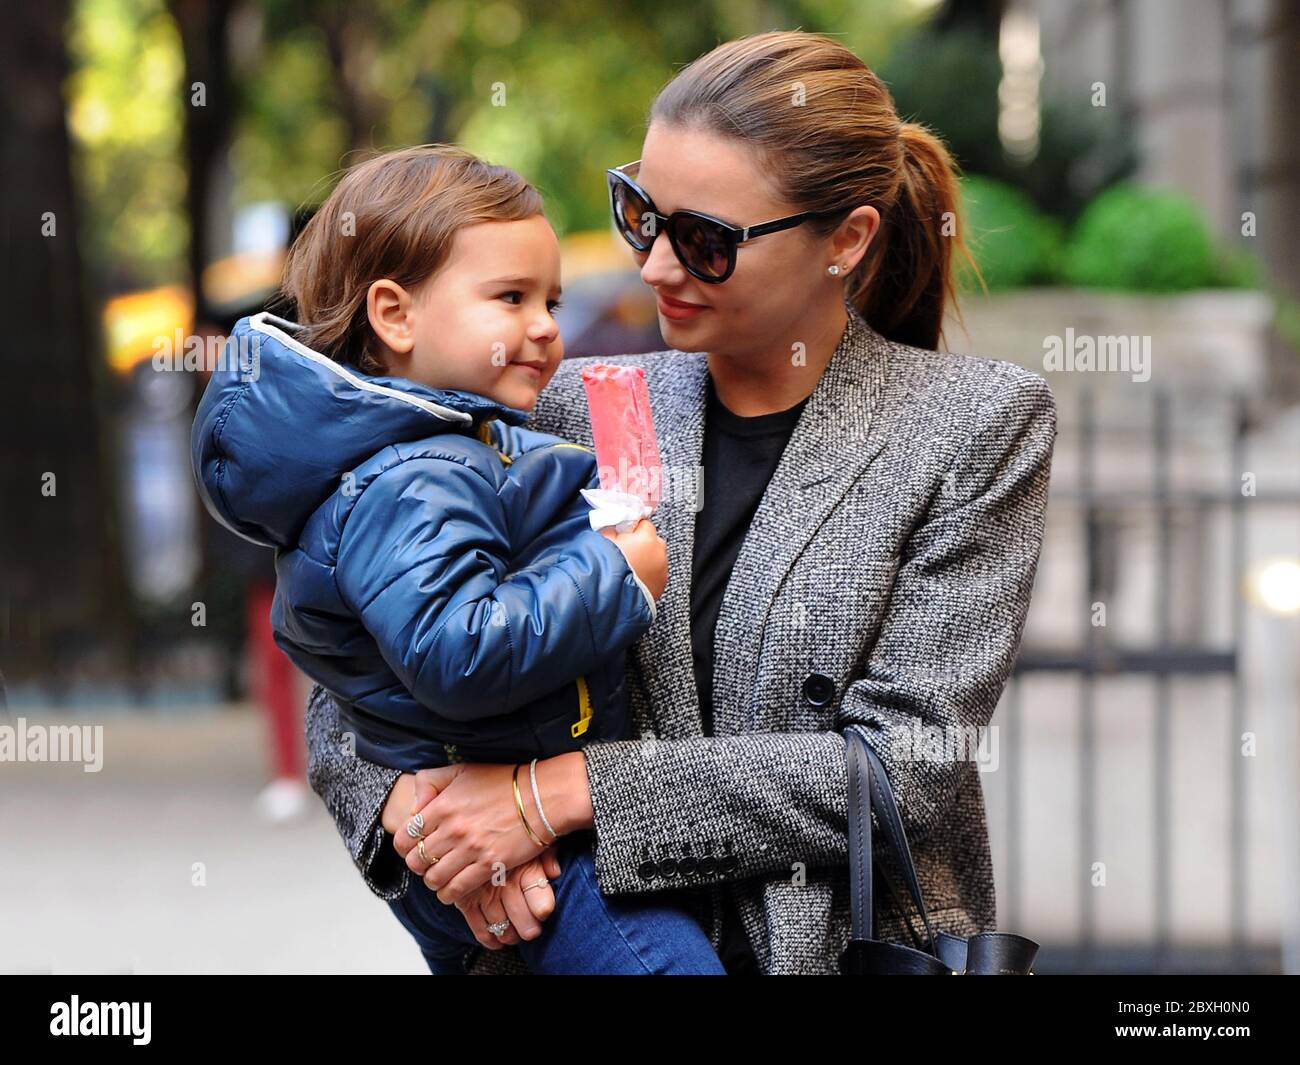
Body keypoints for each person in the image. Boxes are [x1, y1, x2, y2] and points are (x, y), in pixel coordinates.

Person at [304, 29, 1058, 975]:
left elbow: (907, 767)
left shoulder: (973, 424)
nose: (655, 266)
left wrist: (556, 793)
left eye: (704, 241)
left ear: (849, 238)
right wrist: (427, 825)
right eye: (640, 214)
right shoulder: (575, 404)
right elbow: (355, 670)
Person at [191, 144, 730, 974]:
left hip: (512, 818)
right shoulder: (411, 479)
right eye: (510, 298)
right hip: (534, 850)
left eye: (549, 298)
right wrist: (616, 571)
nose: (547, 325)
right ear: (395, 316)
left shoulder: (440, 449)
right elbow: (459, 650)